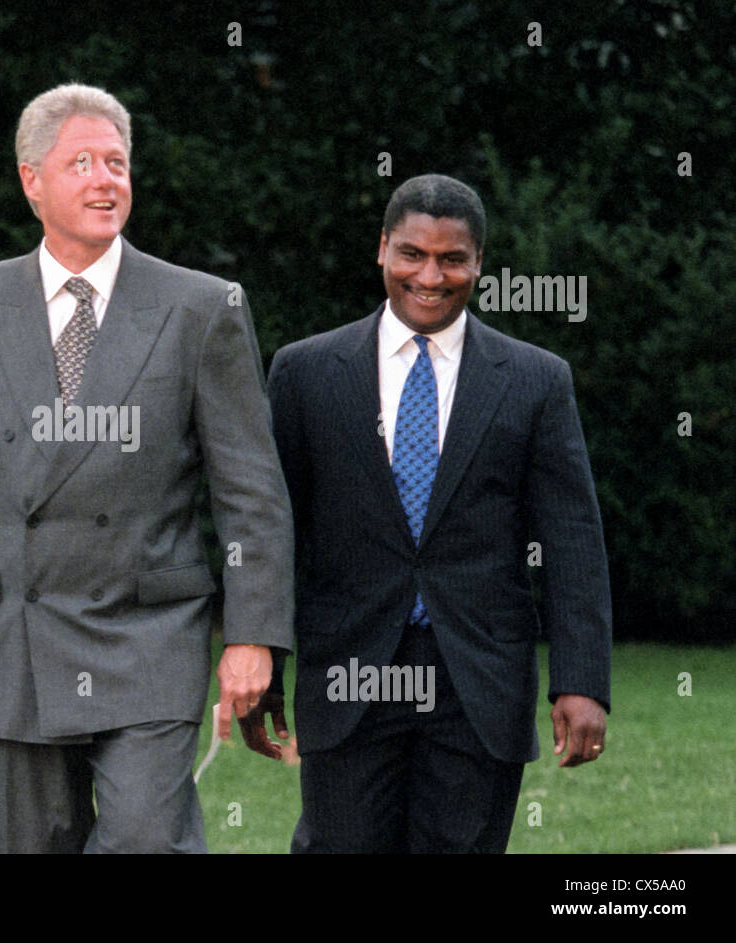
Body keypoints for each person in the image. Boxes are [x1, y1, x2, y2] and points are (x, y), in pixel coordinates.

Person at [0, 83, 294, 853]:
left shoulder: (201, 307)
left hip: (149, 632)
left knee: (148, 841)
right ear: (31, 180)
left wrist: (254, 632)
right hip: (12, 630)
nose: (104, 179)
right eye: (80, 162)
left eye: (116, 162)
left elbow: (250, 489)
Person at [243, 173, 613, 853]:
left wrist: (582, 679)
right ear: (382, 249)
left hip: (478, 681)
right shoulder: (305, 372)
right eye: (412, 253)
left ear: (479, 264)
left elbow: (572, 540)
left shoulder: (535, 380)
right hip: (350, 672)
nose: (431, 275)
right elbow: (270, 528)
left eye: (453, 258)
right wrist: (261, 647)